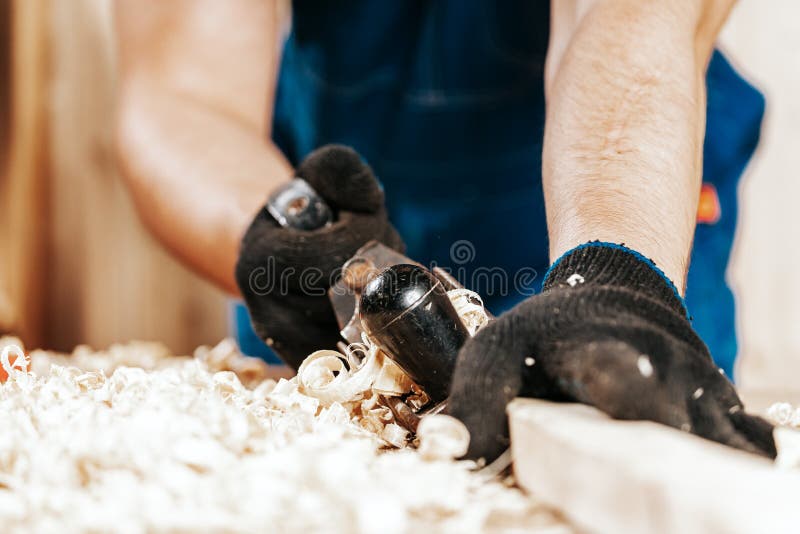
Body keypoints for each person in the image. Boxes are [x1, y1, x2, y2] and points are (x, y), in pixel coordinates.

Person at [114, 0, 776, 460]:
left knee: (629, 427)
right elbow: (184, 93)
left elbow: (638, 19)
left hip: (613, 179)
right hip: (356, 191)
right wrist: (294, 240)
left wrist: (613, 270)